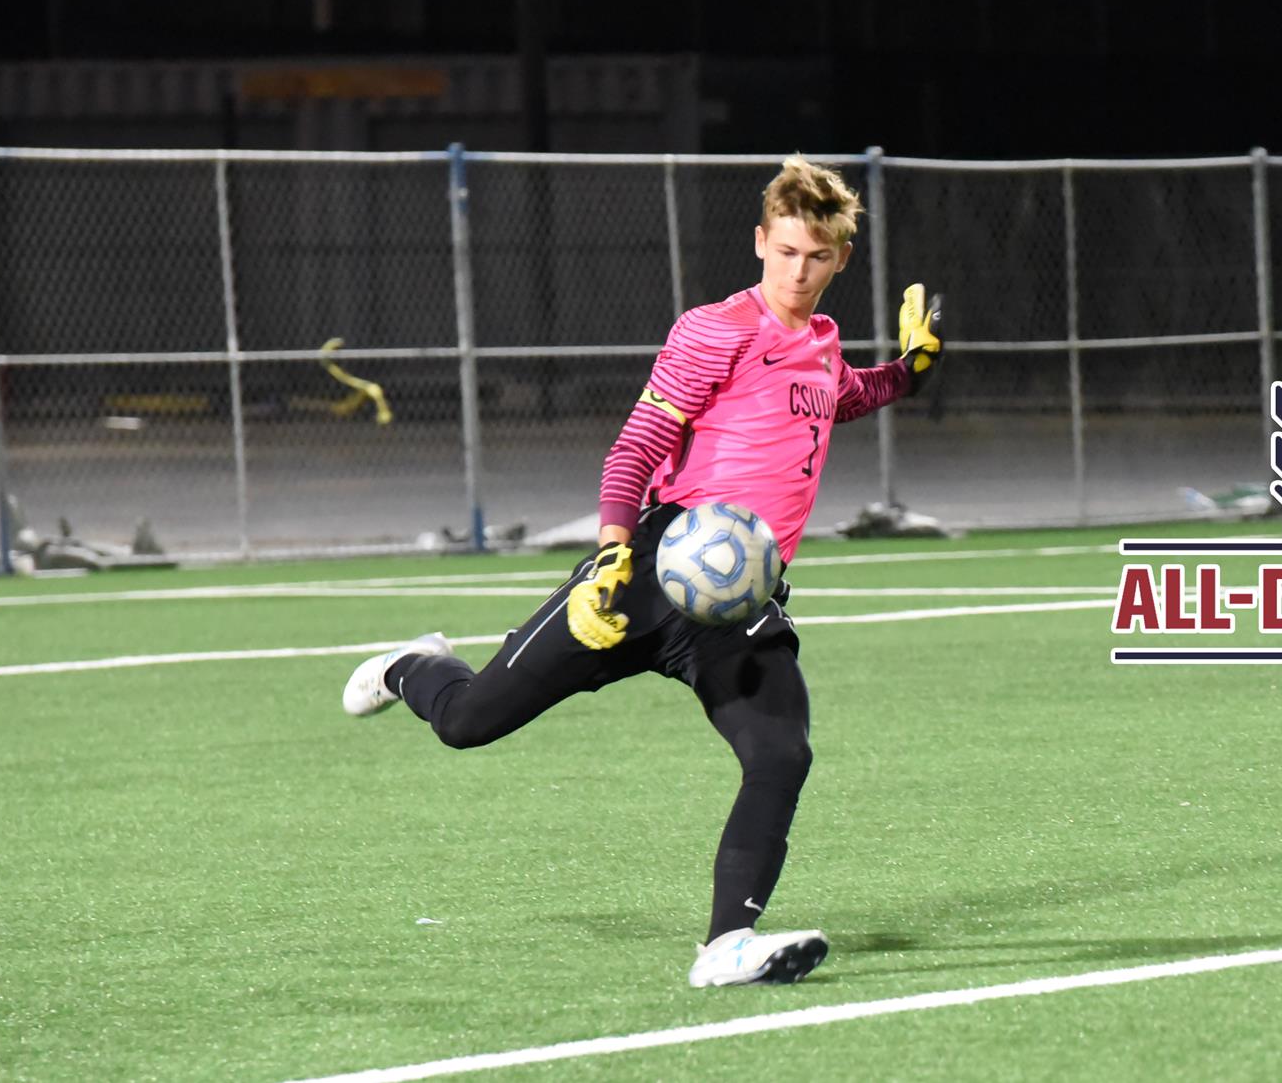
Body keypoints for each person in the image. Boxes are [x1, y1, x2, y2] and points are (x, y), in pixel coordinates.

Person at [340, 155, 941, 987]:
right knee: (469, 722)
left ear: (841, 258)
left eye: (819, 256)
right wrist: (616, 554)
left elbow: (838, 396)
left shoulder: (822, 342)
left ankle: (727, 943)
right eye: (788, 251)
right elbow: (634, 448)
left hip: (736, 602)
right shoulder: (715, 331)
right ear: (761, 240)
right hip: (652, 570)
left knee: (781, 752)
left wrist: (910, 372)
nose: (800, 272)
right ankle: (414, 665)